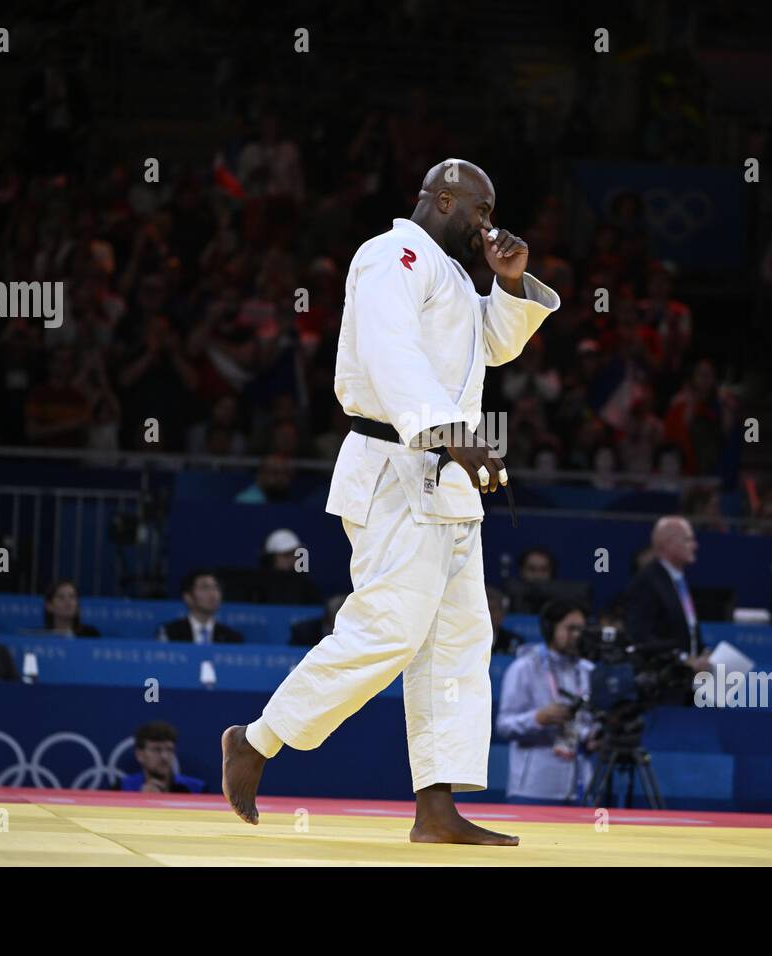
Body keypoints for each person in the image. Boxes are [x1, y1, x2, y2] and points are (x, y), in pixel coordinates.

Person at [221, 158, 560, 845]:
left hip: (445, 477)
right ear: (441, 199)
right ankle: (255, 742)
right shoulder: (392, 254)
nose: (486, 225)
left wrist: (512, 282)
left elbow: (493, 348)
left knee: (458, 646)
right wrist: (450, 432)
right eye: (479, 212)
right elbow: (389, 352)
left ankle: (436, 810)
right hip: (397, 464)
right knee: (388, 631)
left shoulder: (458, 279)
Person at [496, 601, 597, 804]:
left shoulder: (588, 671)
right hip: (533, 787)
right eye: (571, 628)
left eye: (581, 629)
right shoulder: (524, 668)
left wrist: (593, 735)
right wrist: (538, 718)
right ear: (550, 629)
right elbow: (504, 725)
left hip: (579, 784)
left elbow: (588, 721)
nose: (577, 635)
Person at [623, 516, 712, 670]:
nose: (695, 545)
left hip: (685, 682)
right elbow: (640, 636)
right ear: (669, 543)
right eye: (688, 540)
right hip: (661, 683)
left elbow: (687, 629)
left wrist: (701, 653)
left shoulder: (678, 581)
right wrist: (682, 659)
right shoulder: (646, 582)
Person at [114, 721, 206, 794]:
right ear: (140, 755)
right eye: (156, 750)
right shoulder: (122, 788)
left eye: (169, 749)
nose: (164, 756)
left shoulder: (197, 789)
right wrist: (141, 800)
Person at [157, 570, 244, 644]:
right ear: (188, 597)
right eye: (205, 588)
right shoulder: (170, 633)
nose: (213, 594)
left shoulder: (233, 638)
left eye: (216, 588)